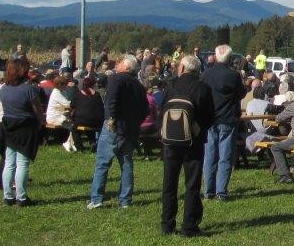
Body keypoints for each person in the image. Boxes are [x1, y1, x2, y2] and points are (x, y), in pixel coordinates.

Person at [160, 54, 215, 236]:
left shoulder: (170, 87)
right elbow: (209, 118)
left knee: (169, 183)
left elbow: (162, 112)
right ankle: (189, 226)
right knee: (192, 185)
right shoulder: (203, 88)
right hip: (194, 142)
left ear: (181, 68)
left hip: (170, 142)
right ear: (197, 70)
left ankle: (167, 224)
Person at [88, 54, 148, 209]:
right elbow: (145, 109)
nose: (117, 64)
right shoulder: (139, 86)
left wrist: (110, 119)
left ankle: (96, 199)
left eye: (120, 62)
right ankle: (125, 200)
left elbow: (111, 101)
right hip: (130, 130)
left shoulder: (116, 79)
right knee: (127, 165)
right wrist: (135, 123)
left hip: (114, 127)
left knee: (102, 163)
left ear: (126, 66)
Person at [200, 44, 247, 201]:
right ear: (230, 57)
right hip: (227, 118)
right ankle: (221, 190)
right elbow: (241, 93)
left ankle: (208, 190)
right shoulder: (233, 76)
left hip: (210, 119)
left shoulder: (206, 74)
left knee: (210, 154)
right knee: (225, 155)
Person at [0, 59, 45, 206]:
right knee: (22, 163)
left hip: (8, 126)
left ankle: (8, 196)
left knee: (9, 163)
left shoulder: (3, 89)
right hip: (25, 127)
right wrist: (41, 122)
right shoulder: (28, 89)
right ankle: (22, 197)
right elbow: (38, 110)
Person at [70, 76, 104, 152]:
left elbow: (72, 105)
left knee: (74, 129)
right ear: (93, 85)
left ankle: (79, 148)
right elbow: (101, 107)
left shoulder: (78, 94)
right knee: (90, 126)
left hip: (81, 120)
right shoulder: (97, 94)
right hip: (96, 121)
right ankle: (92, 142)